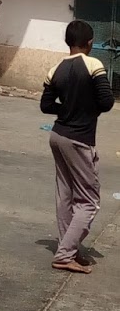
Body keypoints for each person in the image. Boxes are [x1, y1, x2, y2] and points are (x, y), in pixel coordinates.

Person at [41, 18, 115, 272]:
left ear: (67, 42)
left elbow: (46, 105)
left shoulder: (56, 69)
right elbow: (106, 102)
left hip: (57, 136)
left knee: (65, 195)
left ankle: (68, 249)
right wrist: (85, 111)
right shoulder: (93, 65)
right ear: (90, 43)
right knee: (89, 200)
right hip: (79, 139)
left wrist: (67, 110)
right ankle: (64, 255)